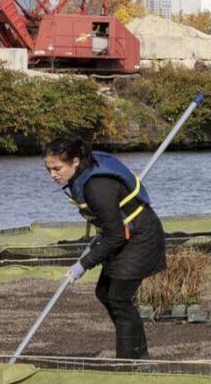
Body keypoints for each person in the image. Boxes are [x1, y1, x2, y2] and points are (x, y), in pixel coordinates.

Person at [43, 137, 167, 360]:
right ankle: (138, 354)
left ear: (75, 162)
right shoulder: (82, 175)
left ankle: (129, 360)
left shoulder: (97, 186)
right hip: (122, 235)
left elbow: (115, 236)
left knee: (119, 298)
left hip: (141, 237)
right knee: (104, 292)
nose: (53, 174)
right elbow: (111, 228)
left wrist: (84, 264)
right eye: (49, 169)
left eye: (57, 168)